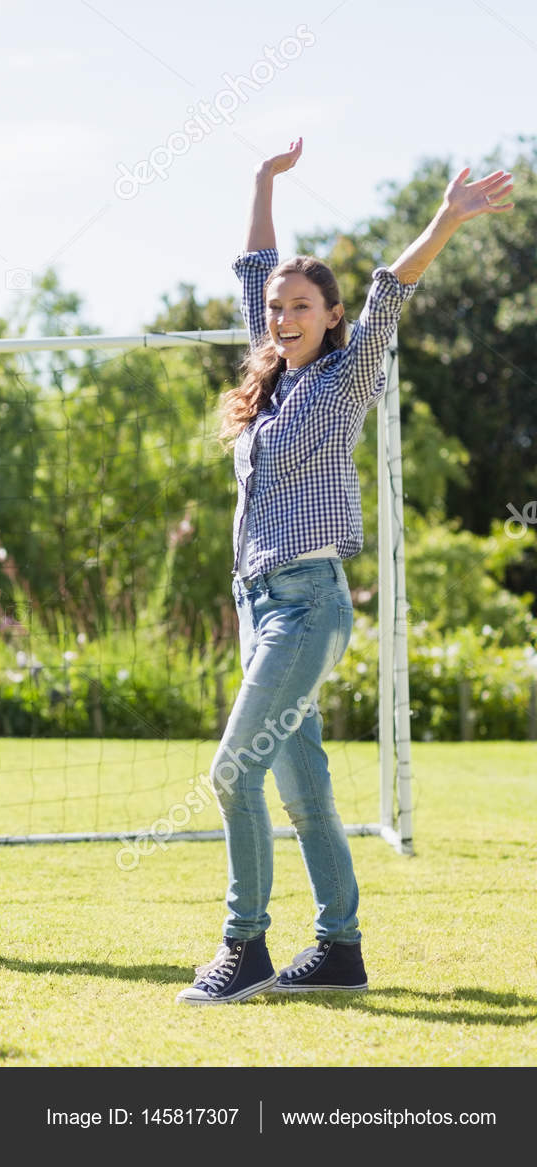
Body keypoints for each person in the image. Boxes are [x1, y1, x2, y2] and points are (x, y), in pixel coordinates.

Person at [178, 138, 514, 1005]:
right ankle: (340, 947)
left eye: (303, 306)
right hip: (259, 605)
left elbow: (389, 291)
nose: (285, 314)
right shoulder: (271, 377)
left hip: (307, 604)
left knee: (230, 772)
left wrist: (446, 217)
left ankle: (244, 946)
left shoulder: (345, 372)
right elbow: (256, 265)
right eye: (279, 307)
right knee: (302, 788)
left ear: (330, 317)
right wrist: (259, 181)